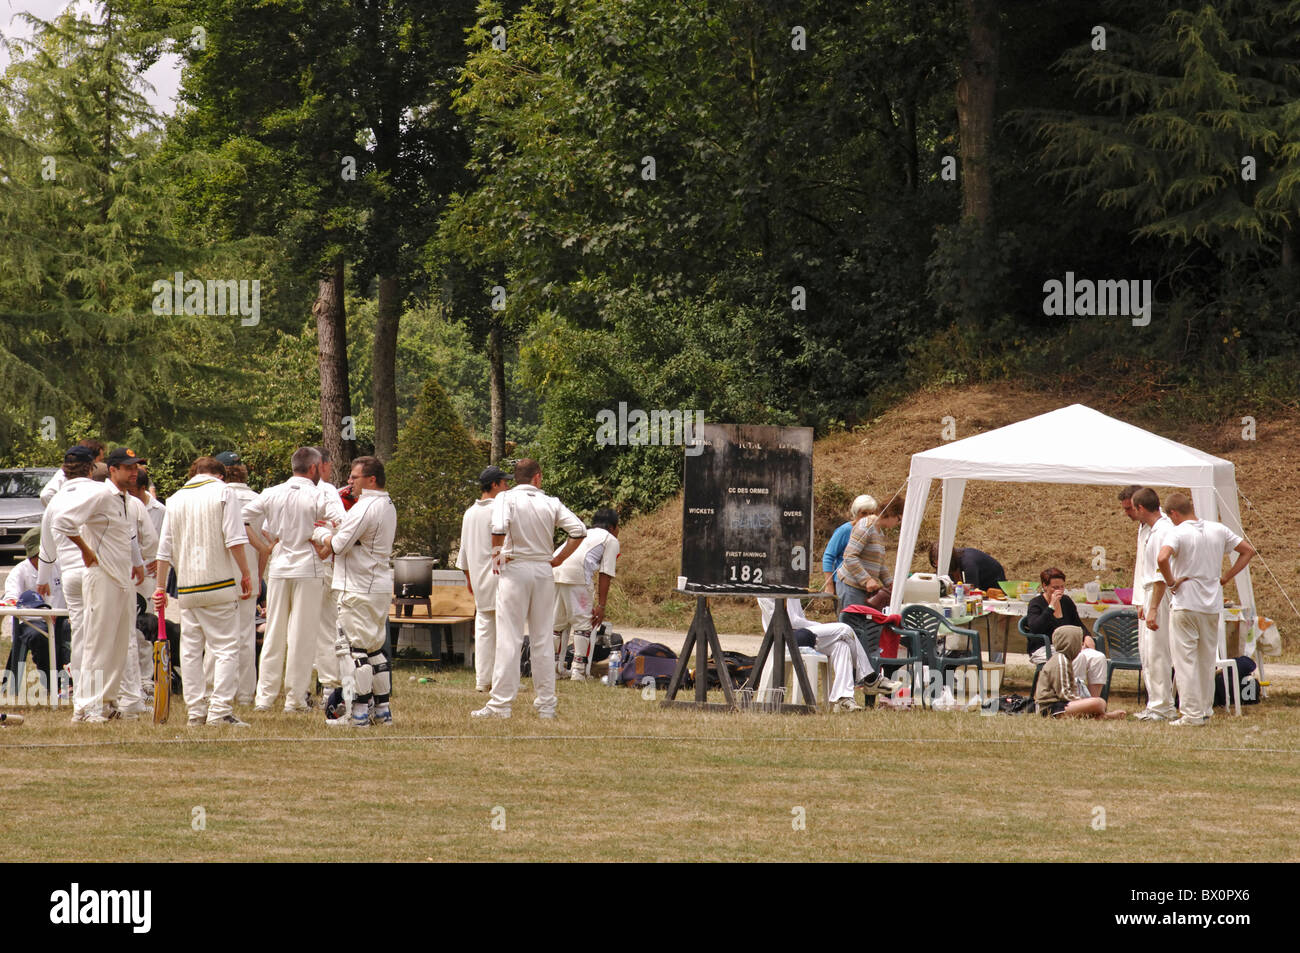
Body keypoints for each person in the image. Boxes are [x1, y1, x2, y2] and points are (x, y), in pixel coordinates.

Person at [472, 459, 586, 720]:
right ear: (537, 478)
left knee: (509, 637)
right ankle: (546, 704)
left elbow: (499, 528)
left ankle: (501, 704)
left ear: (517, 478)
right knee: (543, 638)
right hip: (543, 570)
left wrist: (496, 559)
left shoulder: (506, 498)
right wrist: (558, 559)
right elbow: (578, 531)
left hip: (516, 568)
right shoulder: (551, 502)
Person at [153, 456, 254, 727]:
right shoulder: (224, 492)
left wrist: (160, 588)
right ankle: (220, 710)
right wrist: (245, 573)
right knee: (225, 648)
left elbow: (164, 550)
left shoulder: (174, 499)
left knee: (191, 650)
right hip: (219, 583)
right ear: (220, 475)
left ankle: (195, 711)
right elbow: (234, 538)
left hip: (187, 588)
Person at [52, 447, 147, 723]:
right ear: (113, 469)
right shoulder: (99, 493)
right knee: (97, 645)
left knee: (119, 645)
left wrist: (137, 562)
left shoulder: (126, 499)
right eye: (128, 467)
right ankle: (85, 708)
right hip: (101, 576)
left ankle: (106, 702)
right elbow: (63, 521)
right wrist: (84, 549)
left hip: (122, 580)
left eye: (136, 467)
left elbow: (124, 536)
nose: (134, 472)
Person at [241, 447, 334, 713]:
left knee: (274, 631)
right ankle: (294, 699)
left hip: (280, 564)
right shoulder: (320, 493)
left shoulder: (272, 492)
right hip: (308, 565)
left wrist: (264, 547)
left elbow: (242, 518)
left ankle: (264, 697)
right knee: (302, 634)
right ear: (314, 467)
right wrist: (324, 542)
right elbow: (342, 522)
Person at [1150, 492, 1255, 727]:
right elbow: (1248, 550)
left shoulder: (1177, 531)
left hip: (1186, 603)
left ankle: (1191, 713)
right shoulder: (1218, 529)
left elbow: (1162, 557)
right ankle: (1205, 709)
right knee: (1207, 659)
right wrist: (1226, 576)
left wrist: (1170, 582)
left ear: (1173, 514)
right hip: (1211, 604)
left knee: (1185, 660)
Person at [311, 456, 397, 728]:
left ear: (371, 479)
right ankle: (382, 710)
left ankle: (357, 713)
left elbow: (338, 544)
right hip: (379, 585)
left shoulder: (365, 506)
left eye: (354, 477)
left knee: (352, 651)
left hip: (358, 586)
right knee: (374, 651)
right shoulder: (388, 503)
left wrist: (318, 533)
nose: (350, 482)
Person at [757, 598, 900, 711]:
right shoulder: (769, 589)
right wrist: (820, 626)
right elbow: (792, 621)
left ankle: (843, 698)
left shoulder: (790, 584)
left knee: (841, 646)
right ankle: (871, 678)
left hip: (801, 634)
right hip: (785, 637)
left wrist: (819, 627)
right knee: (844, 629)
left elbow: (799, 618)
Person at [36, 446, 99, 705]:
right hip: (96, 571)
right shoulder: (100, 492)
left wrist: (42, 579)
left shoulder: (56, 500)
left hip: (71, 575)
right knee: (103, 633)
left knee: (81, 634)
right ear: (91, 467)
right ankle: (104, 695)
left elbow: (46, 549)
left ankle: (82, 693)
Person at [214, 452, 270, 704]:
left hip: (222, 575)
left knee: (220, 637)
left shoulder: (217, 498)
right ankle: (246, 693)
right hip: (250, 575)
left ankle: (218, 690)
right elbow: (265, 544)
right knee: (246, 635)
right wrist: (258, 576)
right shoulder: (258, 499)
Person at [456, 466, 510, 692]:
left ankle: (482, 681)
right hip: (501, 578)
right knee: (506, 631)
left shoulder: (469, 513)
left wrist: (470, 580)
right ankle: (501, 681)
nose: (507, 486)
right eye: (504, 482)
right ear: (495, 484)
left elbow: (463, 553)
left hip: (478, 579)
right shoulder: (499, 510)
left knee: (485, 630)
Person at [552, 507, 620, 680]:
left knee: (557, 624)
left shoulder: (585, 532)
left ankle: (553, 669)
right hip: (578, 576)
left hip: (554, 572)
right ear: (613, 527)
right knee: (583, 624)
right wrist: (601, 606)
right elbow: (605, 574)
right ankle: (579, 671)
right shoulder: (610, 539)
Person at [3, 528, 70, 698]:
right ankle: (52, 683)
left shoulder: (60, 567)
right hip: (31, 621)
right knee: (40, 636)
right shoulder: (19, 571)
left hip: (61, 618)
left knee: (69, 633)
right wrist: (39, 610)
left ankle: (70, 682)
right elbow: (11, 600)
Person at [1129, 487, 1176, 721]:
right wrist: (1140, 601)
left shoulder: (1163, 530)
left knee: (1158, 652)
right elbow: (1142, 567)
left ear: (1140, 507)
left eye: (1131, 508)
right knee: (1147, 653)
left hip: (1160, 593)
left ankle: (1163, 706)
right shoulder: (1147, 529)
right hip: (1148, 593)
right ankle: (1155, 703)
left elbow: (1160, 574)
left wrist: (1154, 607)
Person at [1024, 568, 1107, 696]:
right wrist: (1051, 607)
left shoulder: (1066, 601)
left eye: (1062, 587)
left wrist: (1086, 636)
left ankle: (1093, 700)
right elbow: (1035, 628)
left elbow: (1077, 623)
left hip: (1070, 646)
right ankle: (1071, 698)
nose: (1059, 591)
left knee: (1098, 658)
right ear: (1044, 586)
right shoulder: (1036, 603)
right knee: (1078, 657)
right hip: (1044, 647)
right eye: (1055, 587)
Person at [311, 449, 347, 705]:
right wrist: (325, 539)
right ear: (320, 466)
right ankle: (328, 687)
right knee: (325, 628)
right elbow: (343, 524)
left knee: (297, 630)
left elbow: (271, 531)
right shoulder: (327, 491)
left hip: (289, 568)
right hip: (320, 566)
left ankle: (298, 691)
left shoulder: (281, 490)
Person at [1034, 626, 1126, 719]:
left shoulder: (1065, 659)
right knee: (1098, 703)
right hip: (1051, 708)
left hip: (1061, 704)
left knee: (1097, 703)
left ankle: (1100, 716)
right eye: (1078, 642)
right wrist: (1082, 702)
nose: (1082, 645)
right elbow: (1064, 693)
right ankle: (1100, 715)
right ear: (1070, 643)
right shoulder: (1061, 660)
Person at [837, 496, 904, 610]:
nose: (899, 523)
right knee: (852, 626)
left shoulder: (879, 532)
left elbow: (879, 564)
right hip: (851, 587)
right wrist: (867, 580)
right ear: (891, 513)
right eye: (899, 519)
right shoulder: (866, 526)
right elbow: (849, 556)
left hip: (862, 589)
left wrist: (890, 584)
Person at [821, 495, 876, 603]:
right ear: (856, 513)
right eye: (864, 513)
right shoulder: (845, 530)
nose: (867, 517)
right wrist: (829, 585)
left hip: (864, 585)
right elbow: (828, 556)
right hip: (845, 584)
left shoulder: (873, 531)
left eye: (871, 513)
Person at [40, 439, 105, 507]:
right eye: (100, 460)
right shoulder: (65, 473)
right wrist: (65, 510)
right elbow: (46, 495)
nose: (100, 463)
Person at [927, 542, 1006, 592]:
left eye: (939, 564)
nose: (937, 567)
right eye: (934, 564)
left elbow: (973, 590)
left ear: (948, 559)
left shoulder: (968, 562)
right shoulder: (952, 561)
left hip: (994, 582)